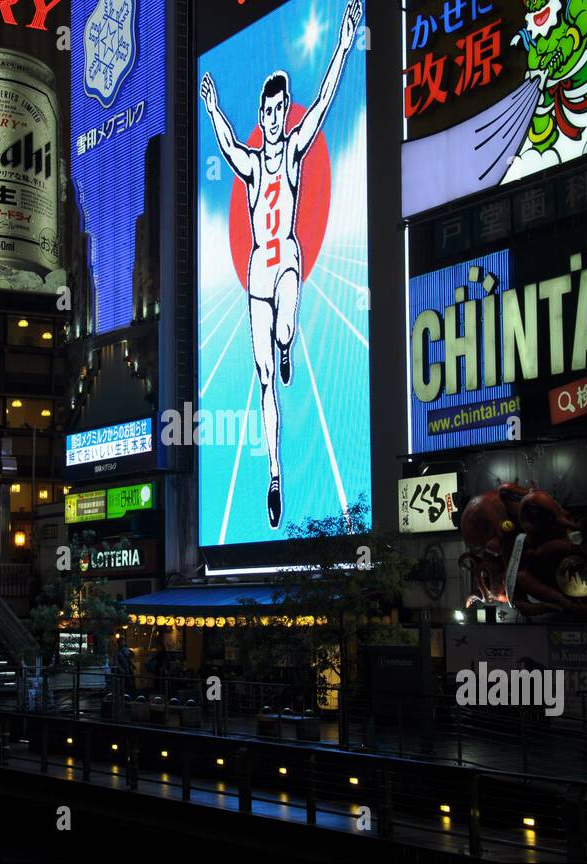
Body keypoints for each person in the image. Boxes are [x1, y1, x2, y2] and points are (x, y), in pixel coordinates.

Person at [199, 0, 363, 529]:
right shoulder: (250, 164)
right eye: (265, 113)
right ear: (260, 115)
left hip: (287, 262)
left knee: (285, 330)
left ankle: (288, 342)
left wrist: (341, 46)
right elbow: (225, 142)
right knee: (265, 380)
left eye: (277, 111)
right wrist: (213, 109)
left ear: (284, 109)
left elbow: (324, 100)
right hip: (256, 277)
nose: (271, 120)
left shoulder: (292, 152)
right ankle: (274, 473)